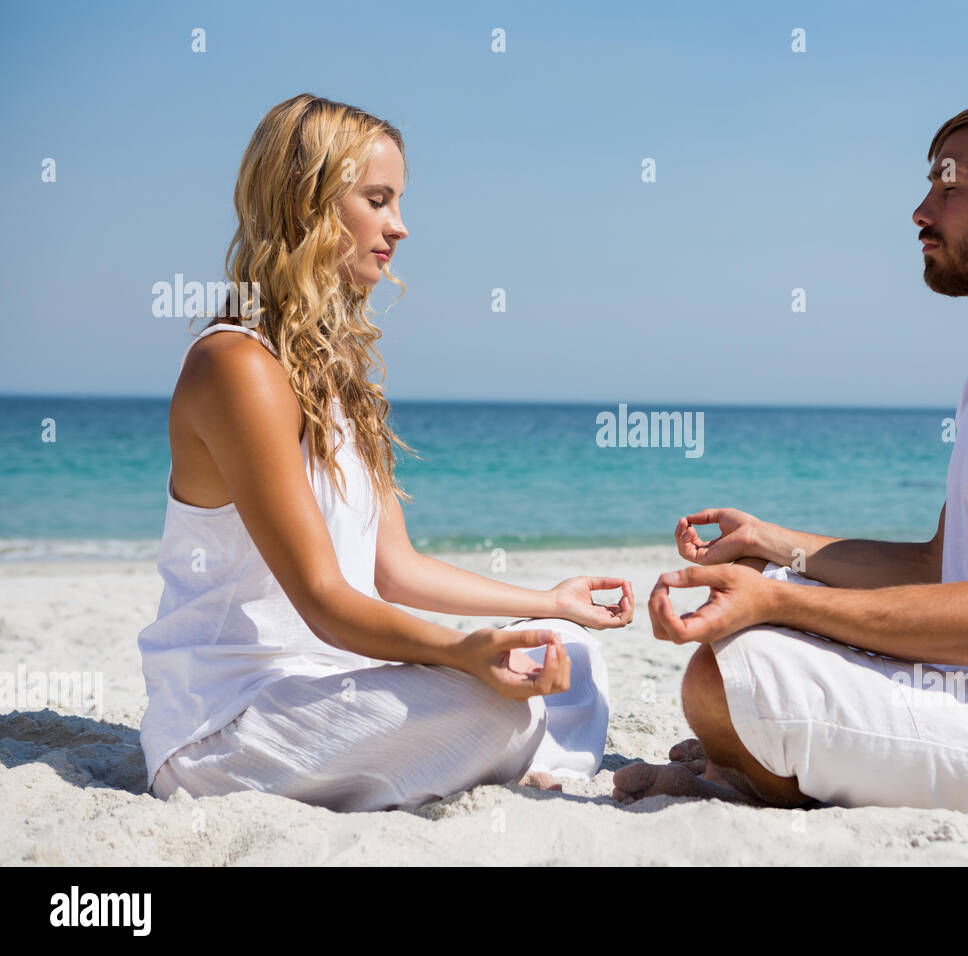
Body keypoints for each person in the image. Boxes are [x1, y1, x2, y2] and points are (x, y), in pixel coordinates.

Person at [612, 97, 968, 839]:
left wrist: (777, 605)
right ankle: (759, 763)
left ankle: (759, 773)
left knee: (730, 671)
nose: (921, 211)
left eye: (949, 187)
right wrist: (773, 545)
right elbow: (937, 565)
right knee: (758, 623)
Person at [139, 93, 633, 813]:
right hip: (230, 729)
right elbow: (324, 600)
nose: (399, 227)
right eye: (377, 200)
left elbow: (393, 570)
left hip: (328, 683)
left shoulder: (339, 376)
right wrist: (460, 653)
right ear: (308, 202)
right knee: (501, 705)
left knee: (568, 650)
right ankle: (522, 762)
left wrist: (550, 600)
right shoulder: (236, 367)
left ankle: (519, 765)